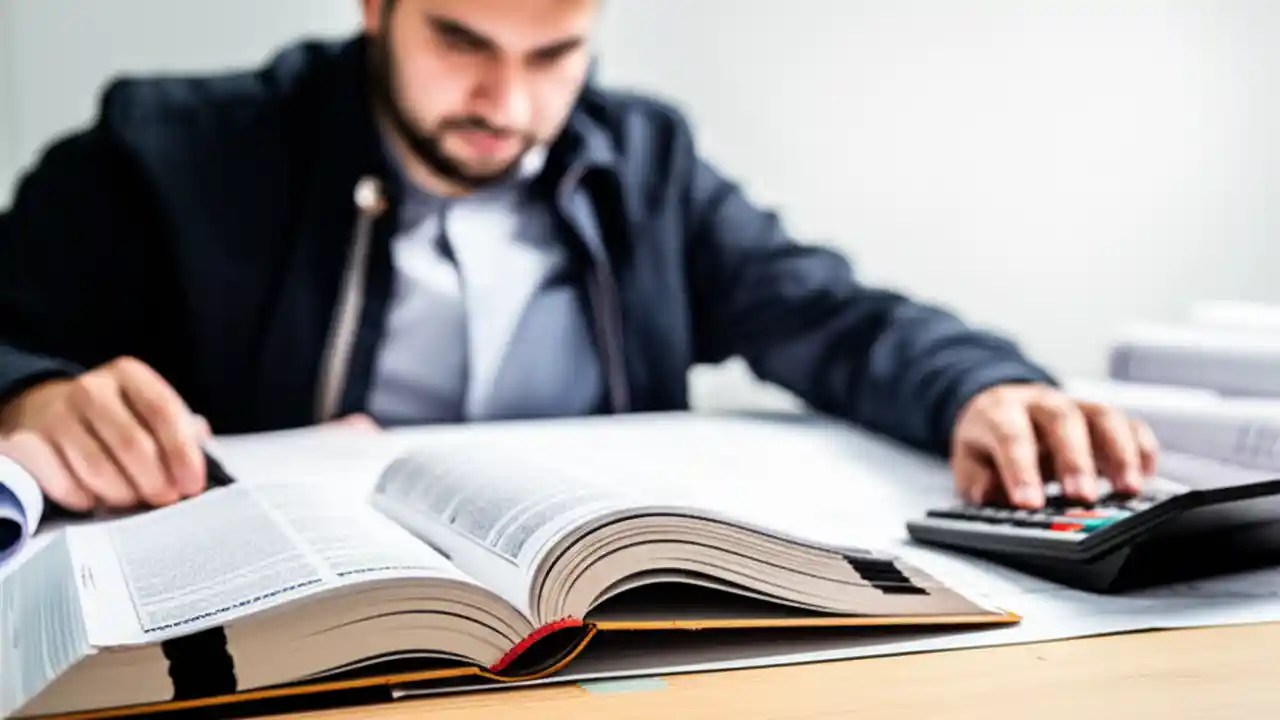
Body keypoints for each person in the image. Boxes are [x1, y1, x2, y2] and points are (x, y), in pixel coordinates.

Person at [0, 0, 1157, 515]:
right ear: (374, 6)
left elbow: (832, 314)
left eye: (555, 53)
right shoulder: (169, 150)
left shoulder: (643, 160)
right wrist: (31, 397)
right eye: (460, 40)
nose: (507, 102)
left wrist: (982, 386)